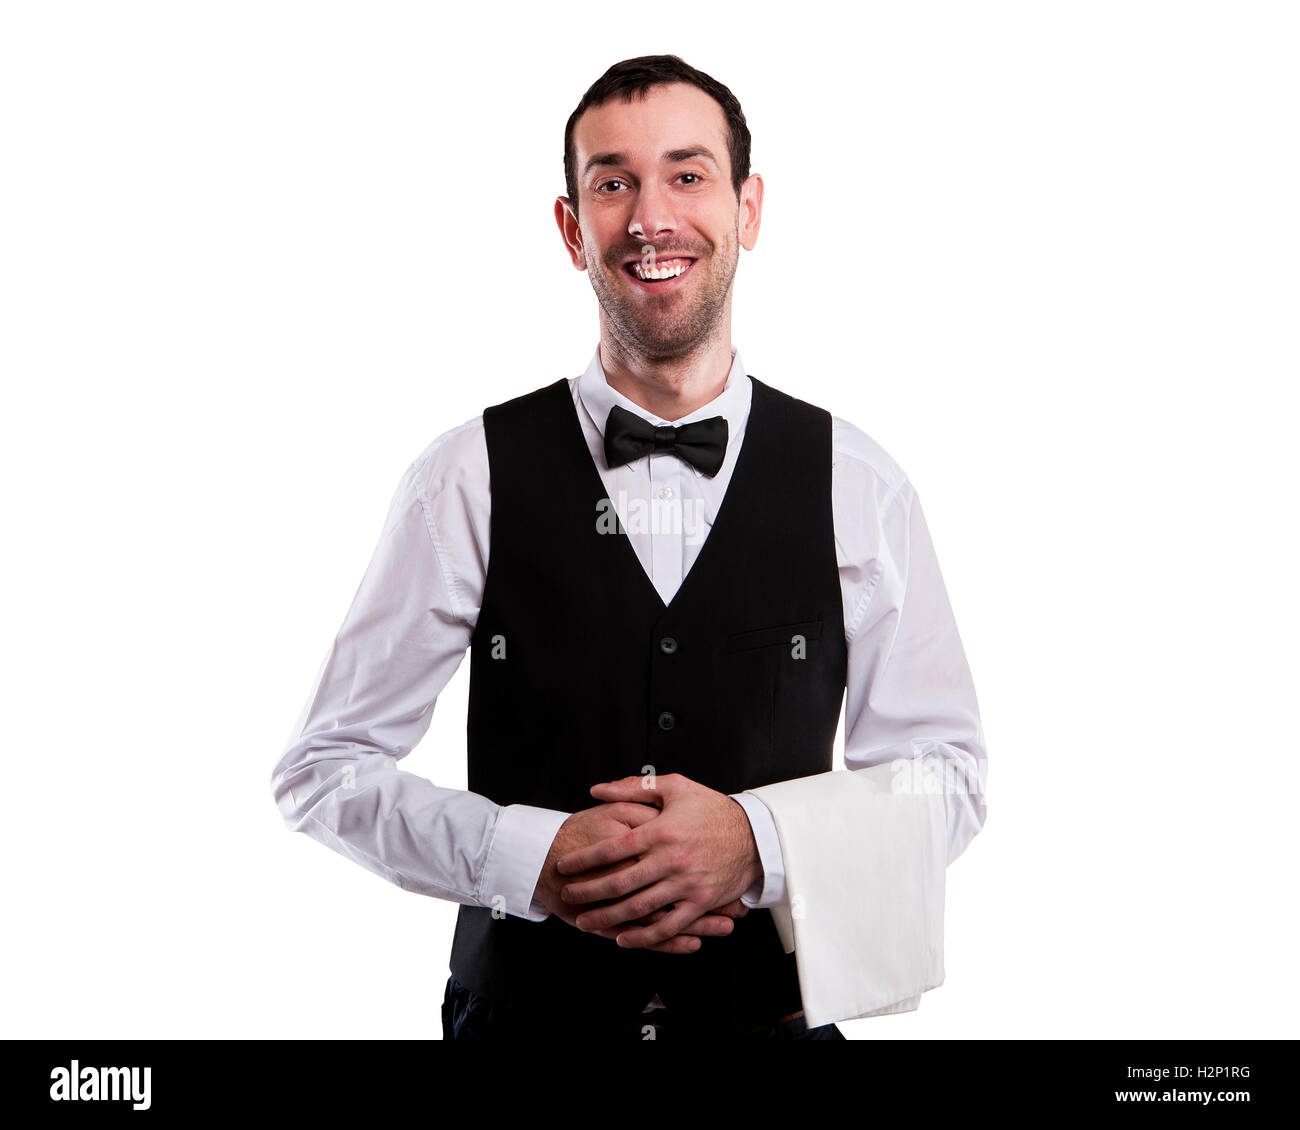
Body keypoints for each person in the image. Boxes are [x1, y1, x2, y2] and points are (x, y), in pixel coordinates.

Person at [271, 54, 987, 1042]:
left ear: (749, 208)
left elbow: (944, 772)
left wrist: (760, 840)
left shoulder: (857, 483)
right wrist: (529, 855)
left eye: (687, 175)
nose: (652, 217)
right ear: (573, 227)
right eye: (613, 182)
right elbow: (323, 765)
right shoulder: (464, 475)